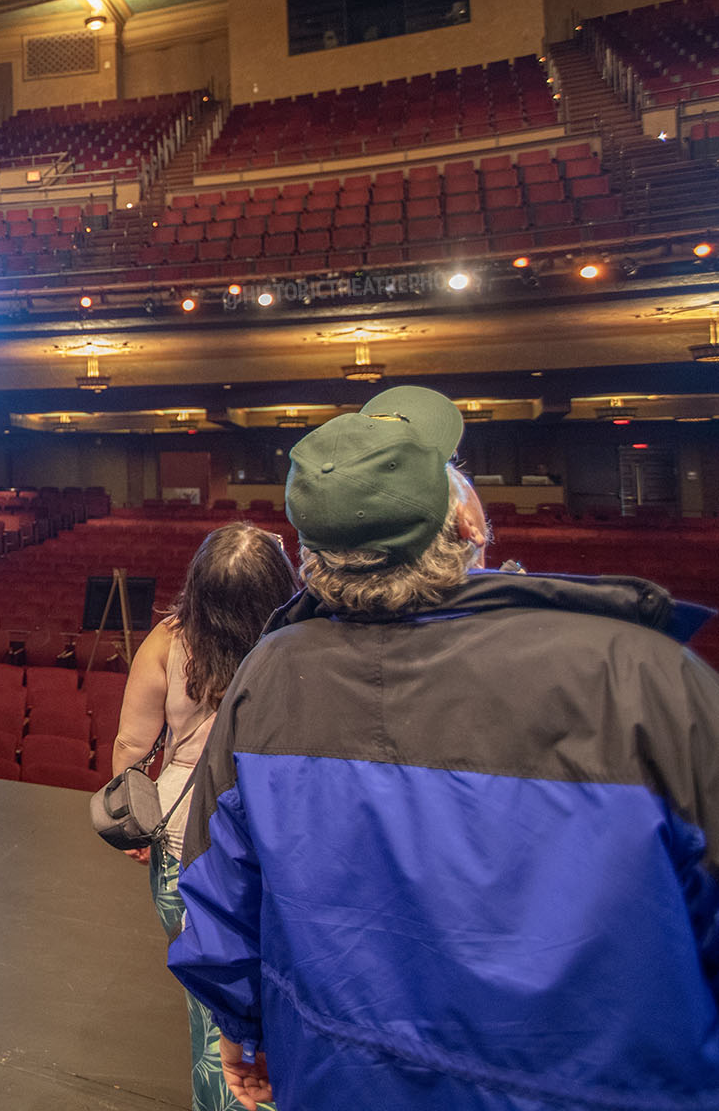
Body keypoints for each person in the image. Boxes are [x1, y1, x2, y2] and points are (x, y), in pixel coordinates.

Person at [169, 386, 719, 1109]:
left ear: (310, 557)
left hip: (339, 1077)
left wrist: (241, 1029)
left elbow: (219, 891)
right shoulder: (639, 675)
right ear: (461, 525)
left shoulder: (269, 675)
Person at [109, 522, 293, 1111]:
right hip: (276, 846)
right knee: (283, 999)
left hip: (184, 844)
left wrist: (140, 826)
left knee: (210, 1005)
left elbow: (131, 749)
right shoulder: (301, 640)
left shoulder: (167, 641)